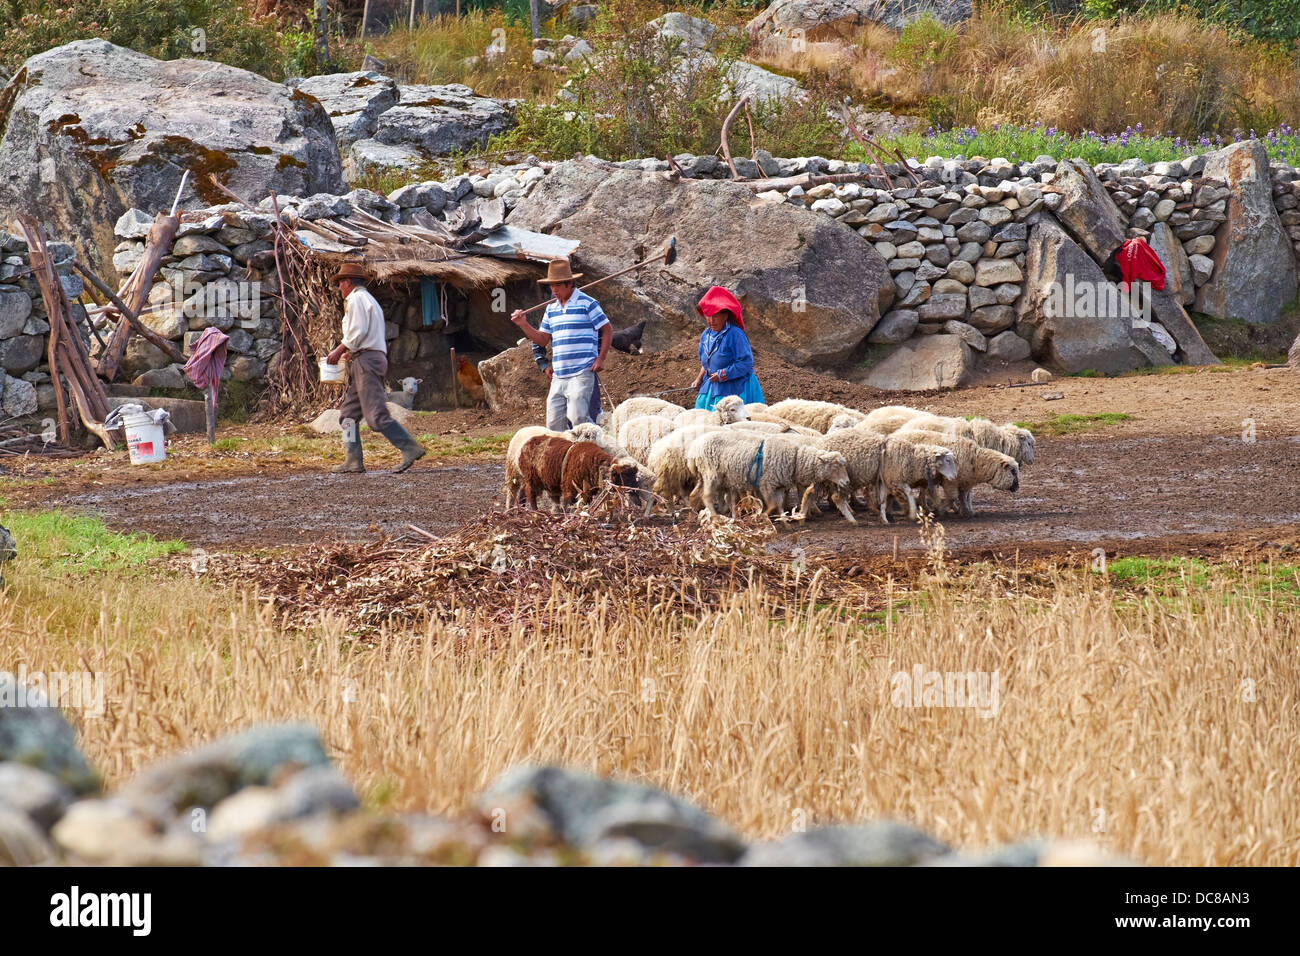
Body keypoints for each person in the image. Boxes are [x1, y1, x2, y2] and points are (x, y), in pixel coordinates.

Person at [325, 263, 427, 474]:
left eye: (340, 283)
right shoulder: (367, 300)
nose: (339, 288)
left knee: (376, 416)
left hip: (367, 361)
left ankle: (410, 448)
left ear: (348, 282)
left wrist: (339, 350)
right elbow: (364, 335)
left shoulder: (356, 299)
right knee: (348, 417)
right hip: (365, 359)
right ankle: (353, 460)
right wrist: (350, 352)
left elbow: (357, 331)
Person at [511, 258, 611, 431]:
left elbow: (607, 330)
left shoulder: (588, 303)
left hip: (582, 372)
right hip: (559, 375)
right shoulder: (551, 309)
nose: (554, 290)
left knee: (579, 418)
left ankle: (586, 454)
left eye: (558, 285)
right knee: (553, 424)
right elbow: (542, 339)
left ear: (569, 283)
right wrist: (523, 325)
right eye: (551, 285)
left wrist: (601, 359)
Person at [692, 286, 764, 410]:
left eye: (715, 316)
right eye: (708, 316)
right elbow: (708, 361)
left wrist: (723, 374)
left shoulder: (735, 334)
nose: (711, 321)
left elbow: (746, 363)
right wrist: (699, 379)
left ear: (725, 315)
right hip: (711, 385)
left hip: (734, 387)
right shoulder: (706, 334)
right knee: (701, 414)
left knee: (730, 419)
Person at [531, 337, 603, 426]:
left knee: (590, 414)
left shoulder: (591, 323)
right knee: (561, 420)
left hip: (585, 373)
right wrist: (544, 365)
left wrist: (599, 358)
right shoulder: (551, 322)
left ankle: (594, 437)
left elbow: (603, 333)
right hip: (561, 376)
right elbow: (538, 340)